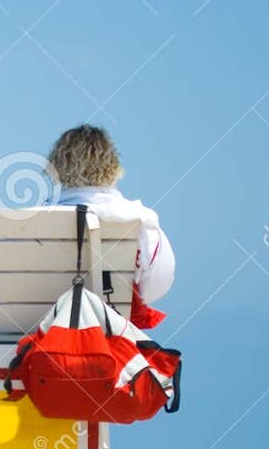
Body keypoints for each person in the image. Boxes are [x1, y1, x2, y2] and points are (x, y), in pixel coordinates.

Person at [46, 124, 176, 328]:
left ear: (57, 167)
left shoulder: (31, 220)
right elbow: (158, 285)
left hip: (43, 337)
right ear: (112, 167)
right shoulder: (140, 220)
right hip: (111, 337)